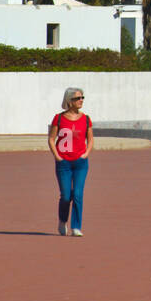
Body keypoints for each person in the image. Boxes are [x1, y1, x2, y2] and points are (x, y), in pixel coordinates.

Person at [48, 88, 93, 236]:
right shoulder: (59, 118)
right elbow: (51, 139)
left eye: (82, 97)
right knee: (66, 195)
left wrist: (86, 154)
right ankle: (62, 220)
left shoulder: (86, 119)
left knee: (78, 194)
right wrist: (57, 156)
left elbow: (90, 139)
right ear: (69, 101)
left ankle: (76, 227)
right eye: (78, 98)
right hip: (64, 163)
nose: (81, 100)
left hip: (80, 163)